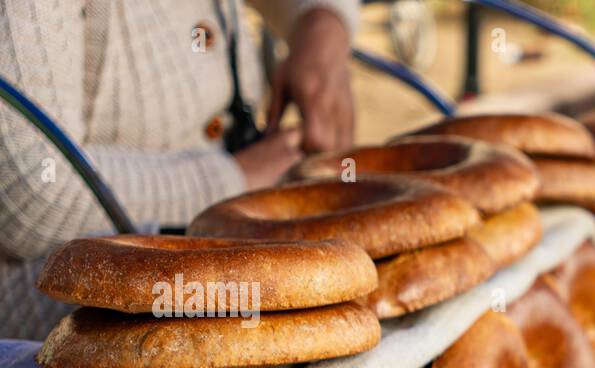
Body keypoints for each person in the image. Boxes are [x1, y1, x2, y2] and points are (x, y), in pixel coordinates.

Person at [0, 0, 360, 338]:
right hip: (53, 295)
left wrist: (321, 24)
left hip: (231, 235)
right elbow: (30, 190)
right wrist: (232, 180)